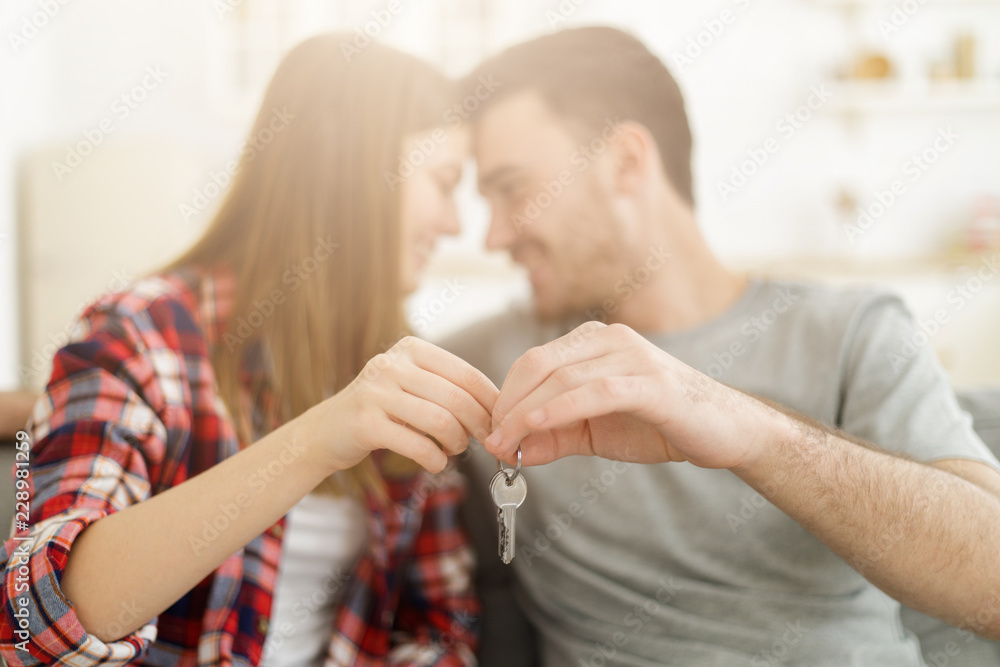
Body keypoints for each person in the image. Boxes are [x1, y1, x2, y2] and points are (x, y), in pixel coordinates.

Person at [442, 27, 1000, 666]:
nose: (493, 237)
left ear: (625, 162)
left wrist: (746, 431)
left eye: (513, 189)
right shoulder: (499, 363)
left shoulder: (850, 331)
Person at [0, 34, 496, 666]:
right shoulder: (139, 333)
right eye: (446, 182)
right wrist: (313, 442)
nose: (456, 223)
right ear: (358, 173)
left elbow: (440, 629)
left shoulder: (404, 377)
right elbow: (30, 622)